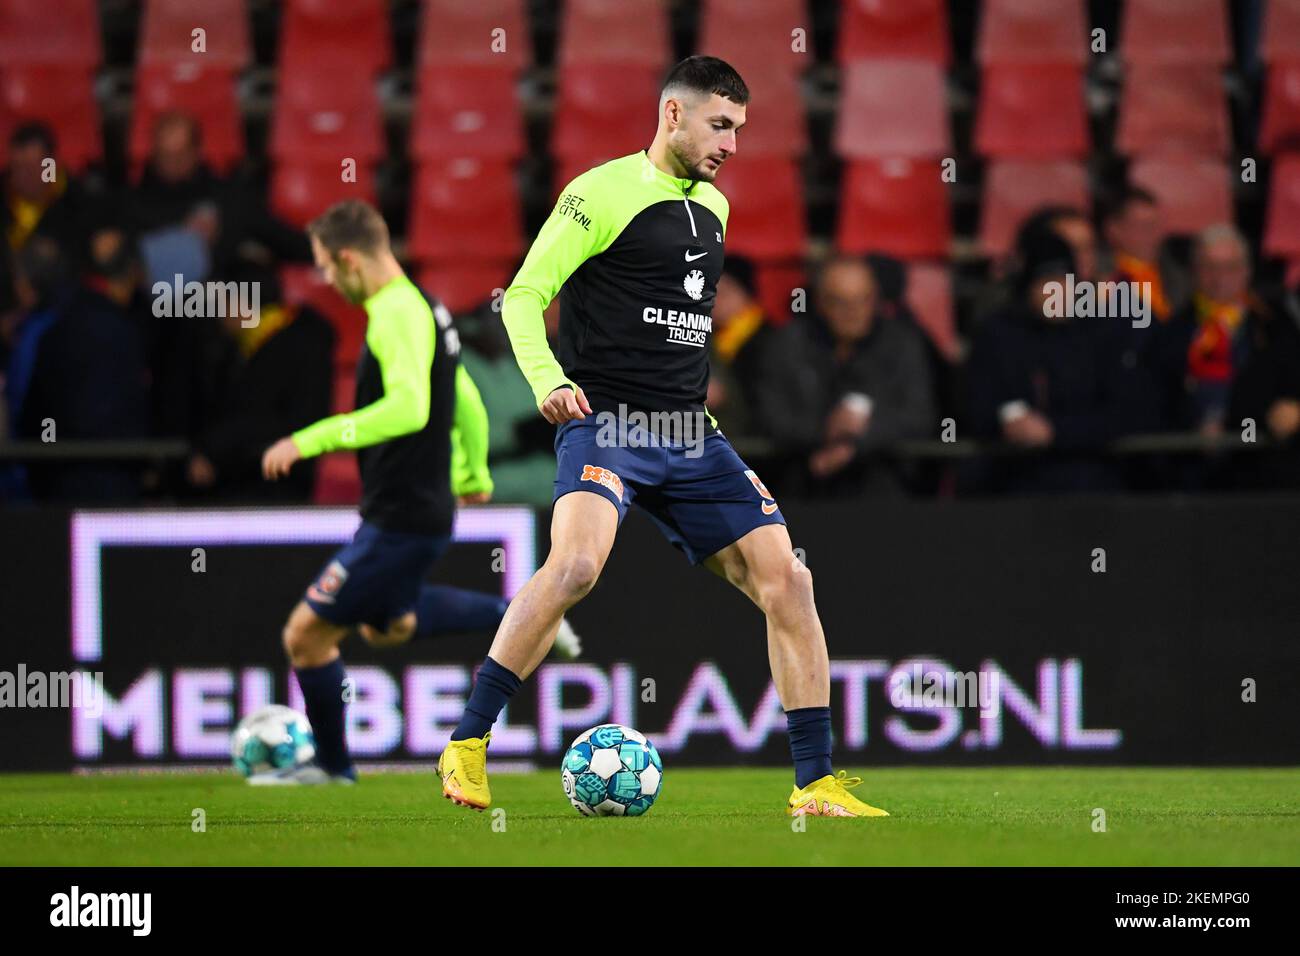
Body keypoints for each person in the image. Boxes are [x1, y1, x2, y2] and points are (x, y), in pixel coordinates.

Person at [437, 56, 889, 818]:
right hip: (605, 424)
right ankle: (468, 744)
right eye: (720, 125)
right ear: (672, 115)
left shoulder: (714, 207)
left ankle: (814, 784)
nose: (732, 145)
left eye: (740, 129)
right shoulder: (597, 194)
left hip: (688, 435)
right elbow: (522, 298)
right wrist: (549, 379)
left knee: (791, 582)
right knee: (576, 567)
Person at [260, 200, 579, 784]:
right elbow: (467, 402)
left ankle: (333, 770)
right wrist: (473, 473)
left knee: (305, 637)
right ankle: (524, 618)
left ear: (350, 258)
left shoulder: (391, 314)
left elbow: (410, 409)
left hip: (399, 516)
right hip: (421, 510)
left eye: (327, 267)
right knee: (392, 626)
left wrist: (308, 441)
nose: (327, 279)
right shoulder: (428, 308)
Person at [753, 254, 936, 495]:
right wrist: (825, 432)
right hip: (801, 486)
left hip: (882, 489)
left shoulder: (902, 344)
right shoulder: (787, 344)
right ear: (820, 302)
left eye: (863, 300)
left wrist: (857, 442)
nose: (853, 312)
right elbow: (769, 417)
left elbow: (921, 416)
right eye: (840, 302)